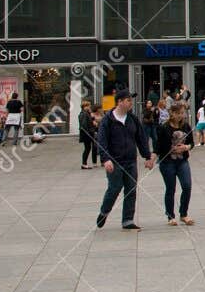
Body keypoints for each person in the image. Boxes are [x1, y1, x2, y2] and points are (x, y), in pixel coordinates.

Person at [95, 89, 155, 230]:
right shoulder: (107, 120)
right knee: (114, 188)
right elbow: (102, 141)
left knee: (131, 189)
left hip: (130, 161)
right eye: (128, 100)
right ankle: (104, 212)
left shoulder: (132, 119)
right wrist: (105, 159)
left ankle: (127, 220)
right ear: (119, 102)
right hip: (114, 161)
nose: (131, 103)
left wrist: (147, 156)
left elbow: (141, 139)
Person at [155, 104, 196, 225]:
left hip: (182, 161)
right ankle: (170, 216)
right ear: (171, 113)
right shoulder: (164, 127)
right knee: (170, 188)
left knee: (187, 186)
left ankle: (183, 214)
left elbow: (192, 143)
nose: (180, 116)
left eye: (182, 113)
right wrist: (169, 150)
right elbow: (158, 146)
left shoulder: (186, 126)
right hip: (167, 162)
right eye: (178, 113)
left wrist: (186, 147)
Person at [77, 100, 99, 169]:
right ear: (85, 106)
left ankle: (85, 163)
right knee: (87, 148)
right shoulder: (83, 114)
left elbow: (90, 121)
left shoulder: (87, 113)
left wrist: (92, 117)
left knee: (89, 148)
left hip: (88, 133)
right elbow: (84, 125)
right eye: (88, 106)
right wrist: (90, 130)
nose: (89, 107)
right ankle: (84, 163)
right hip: (87, 134)